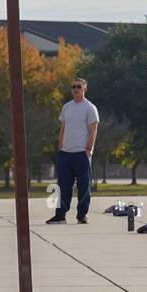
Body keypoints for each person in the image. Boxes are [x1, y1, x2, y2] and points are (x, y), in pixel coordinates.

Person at [47, 78, 100, 225]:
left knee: (83, 186)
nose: (75, 89)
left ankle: (82, 215)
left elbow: (93, 129)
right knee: (63, 186)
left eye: (78, 87)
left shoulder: (90, 108)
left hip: (81, 153)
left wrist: (89, 149)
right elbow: (63, 128)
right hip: (65, 153)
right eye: (73, 87)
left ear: (84, 89)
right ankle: (60, 215)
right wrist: (60, 146)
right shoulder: (66, 107)